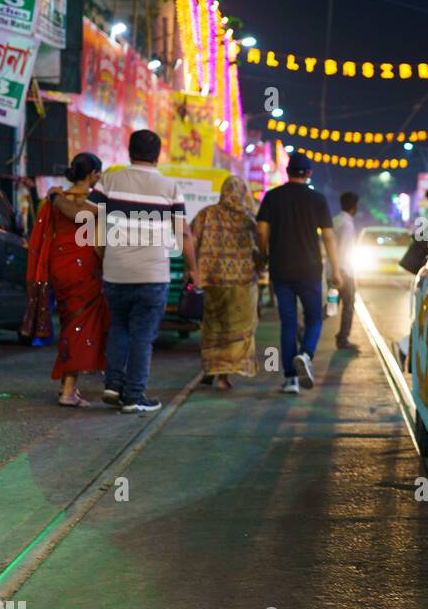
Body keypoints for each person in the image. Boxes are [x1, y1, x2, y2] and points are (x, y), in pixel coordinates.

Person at [55, 129, 197, 413]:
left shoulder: (110, 181)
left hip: (116, 273)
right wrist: (194, 269)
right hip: (152, 274)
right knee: (142, 335)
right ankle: (133, 396)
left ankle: (113, 385)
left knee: (119, 328)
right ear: (157, 155)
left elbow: (80, 213)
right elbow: (183, 234)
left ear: (129, 151)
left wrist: (57, 197)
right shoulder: (170, 188)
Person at [28, 152, 109, 407]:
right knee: (81, 325)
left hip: (60, 267)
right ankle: (68, 390)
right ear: (93, 174)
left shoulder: (56, 199)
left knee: (70, 324)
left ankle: (68, 386)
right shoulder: (91, 203)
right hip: (84, 269)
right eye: (99, 172)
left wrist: (55, 196)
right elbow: (84, 223)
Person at [255, 152, 341, 394]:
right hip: (310, 269)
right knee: (314, 318)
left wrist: (263, 256)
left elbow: (261, 231)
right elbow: (329, 236)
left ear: (287, 171)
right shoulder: (318, 199)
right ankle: (306, 354)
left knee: (288, 323)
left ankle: (291, 378)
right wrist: (336, 269)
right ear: (309, 174)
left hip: (281, 269)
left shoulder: (272, 197)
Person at [191, 176, 259, 390]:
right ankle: (224, 376)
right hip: (242, 284)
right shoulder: (248, 219)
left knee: (213, 327)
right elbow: (259, 247)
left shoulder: (206, 214)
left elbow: (191, 240)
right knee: (238, 329)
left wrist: (192, 270)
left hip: (212, 282)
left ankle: (212, 370)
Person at [331, 191, 361, 352]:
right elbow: (345, 249)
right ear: (353, 206)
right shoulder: (347, 224)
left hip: (335, 269)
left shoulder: (335, 220)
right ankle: (343, 338)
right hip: (345, 271)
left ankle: (305, 325)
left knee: (331, 303)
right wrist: (342, 271)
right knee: (348, 305)